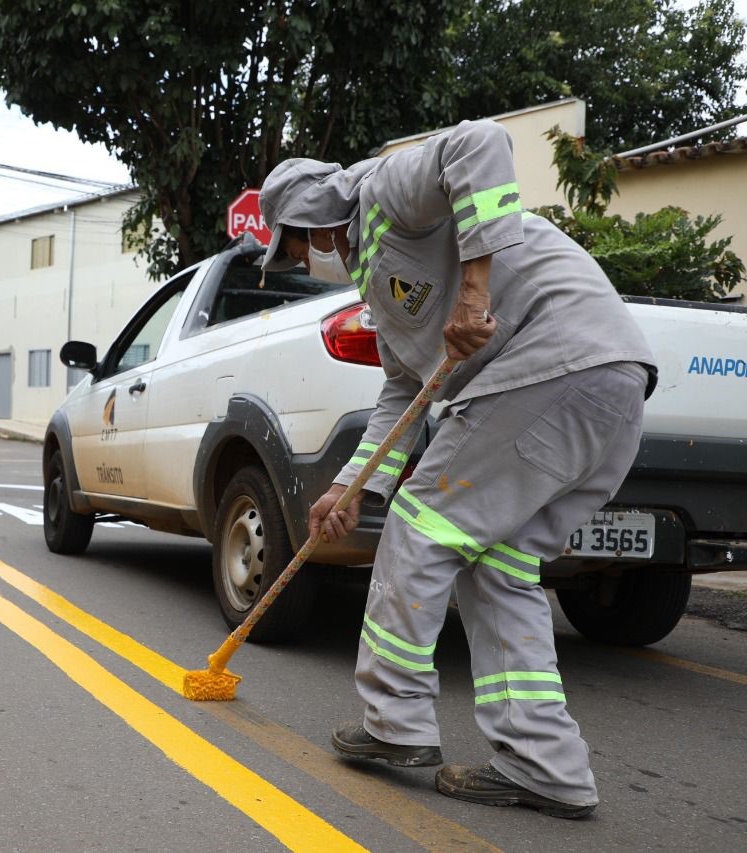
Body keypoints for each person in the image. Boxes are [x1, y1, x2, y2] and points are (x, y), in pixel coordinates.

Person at [258, 119, 657, 819]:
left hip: (552, 366)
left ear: (312, 223)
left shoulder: (384, 193)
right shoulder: (380, 290)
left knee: (418, 528)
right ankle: (544, 764)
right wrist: (352, 488)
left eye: (293, 249)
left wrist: (476, 290)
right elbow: (402, 394)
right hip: (605, 382)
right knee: (498, 565)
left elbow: (481, 144)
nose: (301, 262)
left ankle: (394, 723)